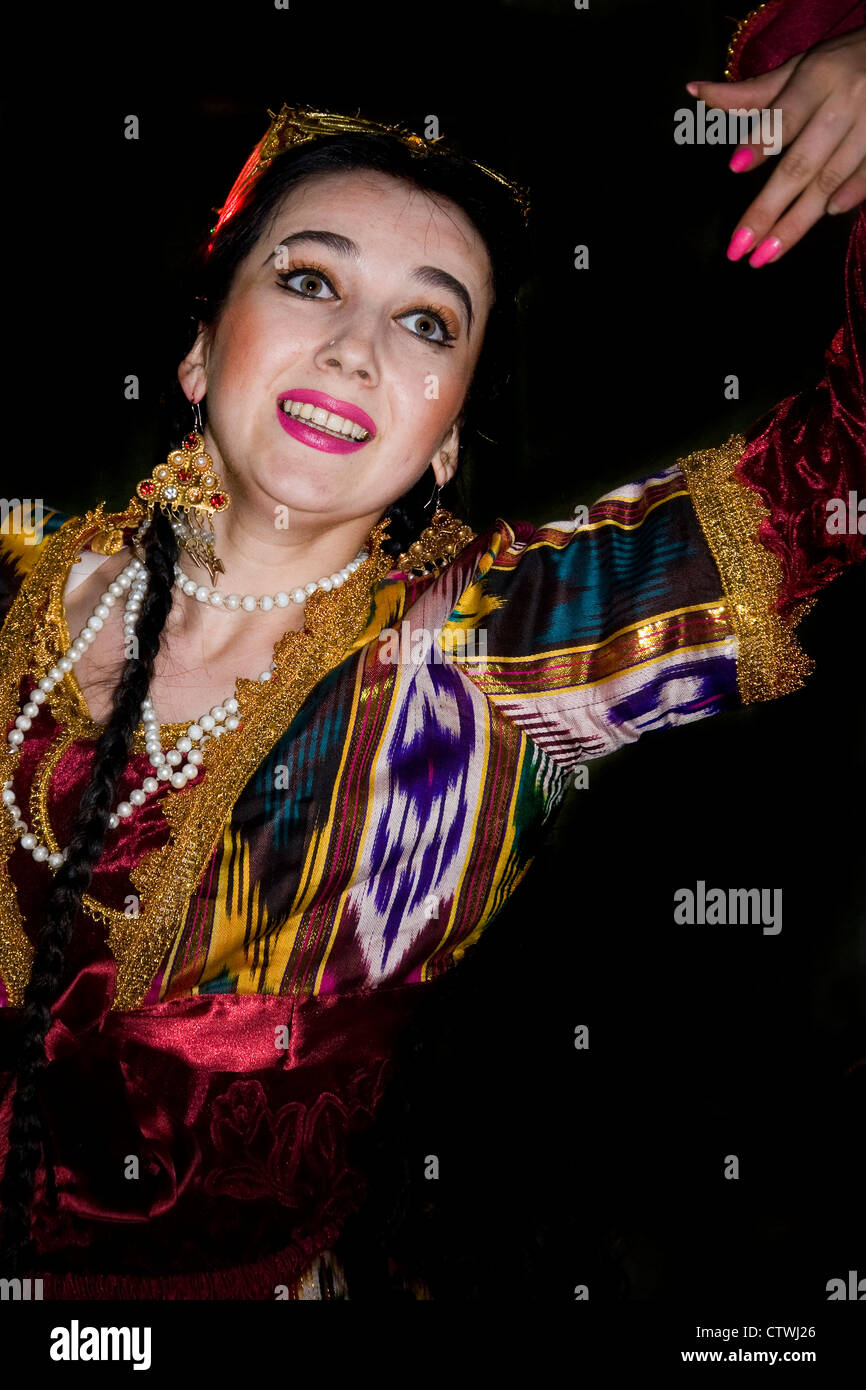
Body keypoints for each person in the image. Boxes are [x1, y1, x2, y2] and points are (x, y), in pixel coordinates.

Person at [0, 0, 864, 1299]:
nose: (353, 346)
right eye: (308, 280)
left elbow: (840, 467)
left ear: (449, 434)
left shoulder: (498, 652)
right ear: (196, 350)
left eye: (427, 322)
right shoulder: (24, 587)